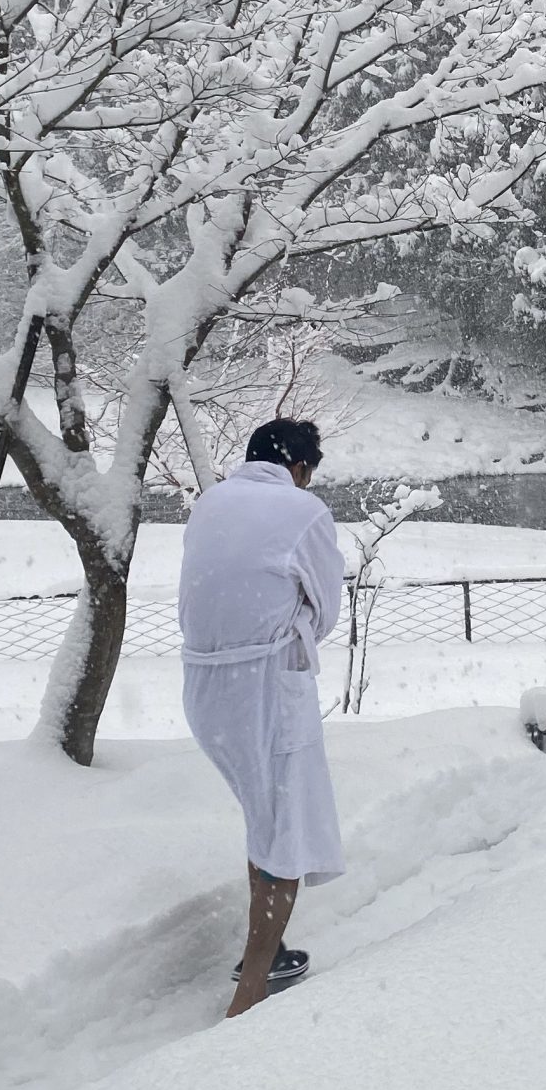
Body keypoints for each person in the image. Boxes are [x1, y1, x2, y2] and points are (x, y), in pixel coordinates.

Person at [178, 416, 344, 1018]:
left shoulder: (211, 503)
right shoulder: (305, 514)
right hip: (266, 690)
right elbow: (325, 611)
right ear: (299, 468)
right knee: (285, 833)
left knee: (265, 821)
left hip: (203, 689)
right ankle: (249, 994)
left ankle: (265, 954)